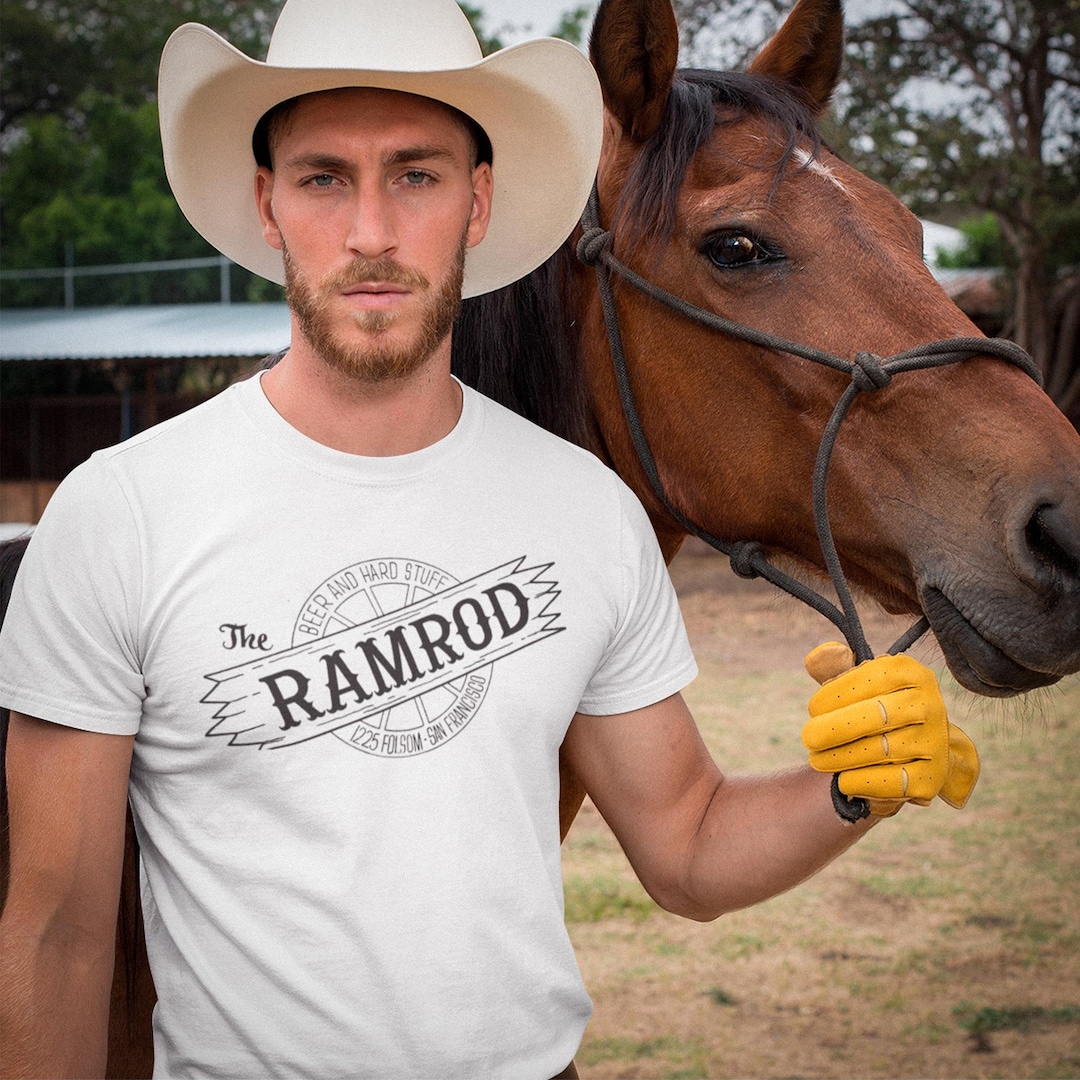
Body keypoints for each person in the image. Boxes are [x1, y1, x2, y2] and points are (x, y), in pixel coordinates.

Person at [0, 0, 980, 1077]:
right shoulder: (116, 513)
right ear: (268, 203)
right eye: (325, 176)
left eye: (416, 174)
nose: (371, 230)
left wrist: (858, 781)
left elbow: (691, 845)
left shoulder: (582, 510)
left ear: (479, 201)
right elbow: (56, 938)